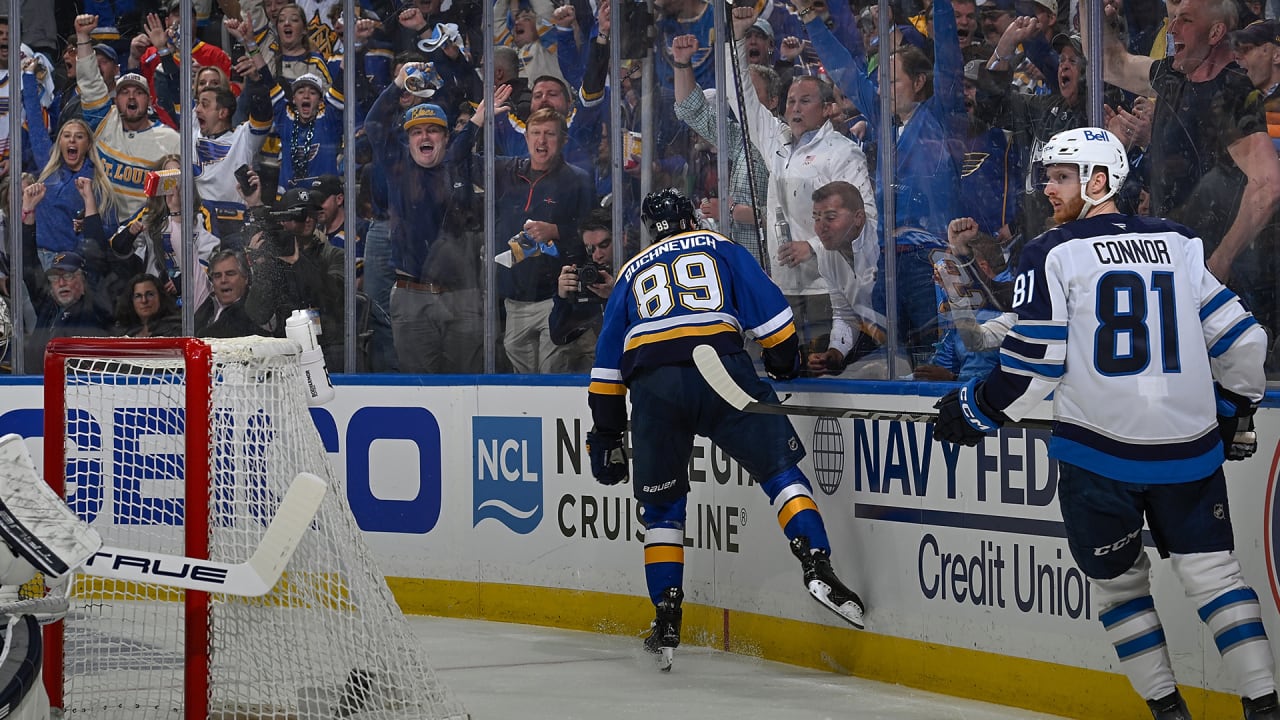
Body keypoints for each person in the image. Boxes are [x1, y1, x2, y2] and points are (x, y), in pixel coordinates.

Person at [932, 128, 1280, 720]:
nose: (1048, 187)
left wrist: (975, 409)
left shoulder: (1052, 250)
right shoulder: (1180, 241)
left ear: (1099, 181)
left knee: (1121, 590)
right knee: (1218, 579)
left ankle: (1169, 713)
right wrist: (1231, 412)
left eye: (1062, 176)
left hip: (1098, 458)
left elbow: (1036, 364)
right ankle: (1266, 708)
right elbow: (1246, 340)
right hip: (1188, 453)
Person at [586, 188, 864, 672]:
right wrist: (784, 364)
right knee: (779, 472)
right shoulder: (720, 247)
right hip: (720, 368)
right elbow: (775, 320)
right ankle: (817, 567)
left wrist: (607, 434)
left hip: (654, 387)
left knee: (663, 509)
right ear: (693, 216)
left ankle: (666, 620)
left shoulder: (631, 271)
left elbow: (607, 371)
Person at [113, 273, 182, 337]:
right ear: (131, 301)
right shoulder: (123, 333)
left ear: (160, 297)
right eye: (138, 296)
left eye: (150, 294)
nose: (144, 300)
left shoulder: (176, 330)